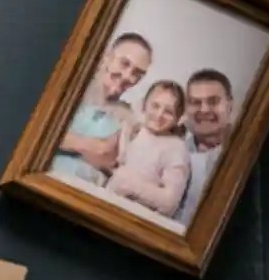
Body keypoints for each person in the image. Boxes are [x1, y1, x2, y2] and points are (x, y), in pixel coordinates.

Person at [49, 32, 153, 182]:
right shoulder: (70, 88)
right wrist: (94, 146)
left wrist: (72, 142)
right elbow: (43, 133)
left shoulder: (127, 116)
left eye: (137, 73)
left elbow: (113, 163)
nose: (127, 76)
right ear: (107, 57)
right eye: (124, 64)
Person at [105, 80, 191, 217]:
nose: (159, 115)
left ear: (178, 118)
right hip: (107, 203)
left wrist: (129, 184)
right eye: (155, 106)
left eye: (168, 112)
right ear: (144, 105)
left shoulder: (176, 149)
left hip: (135, 217)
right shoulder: (135, 131)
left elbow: (169, 203)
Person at [172, 69, 234, 224]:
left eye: (213, 101)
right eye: (195, 102)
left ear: (230, 105)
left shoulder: (245, 154)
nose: (204, 109)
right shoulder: (173, 149)